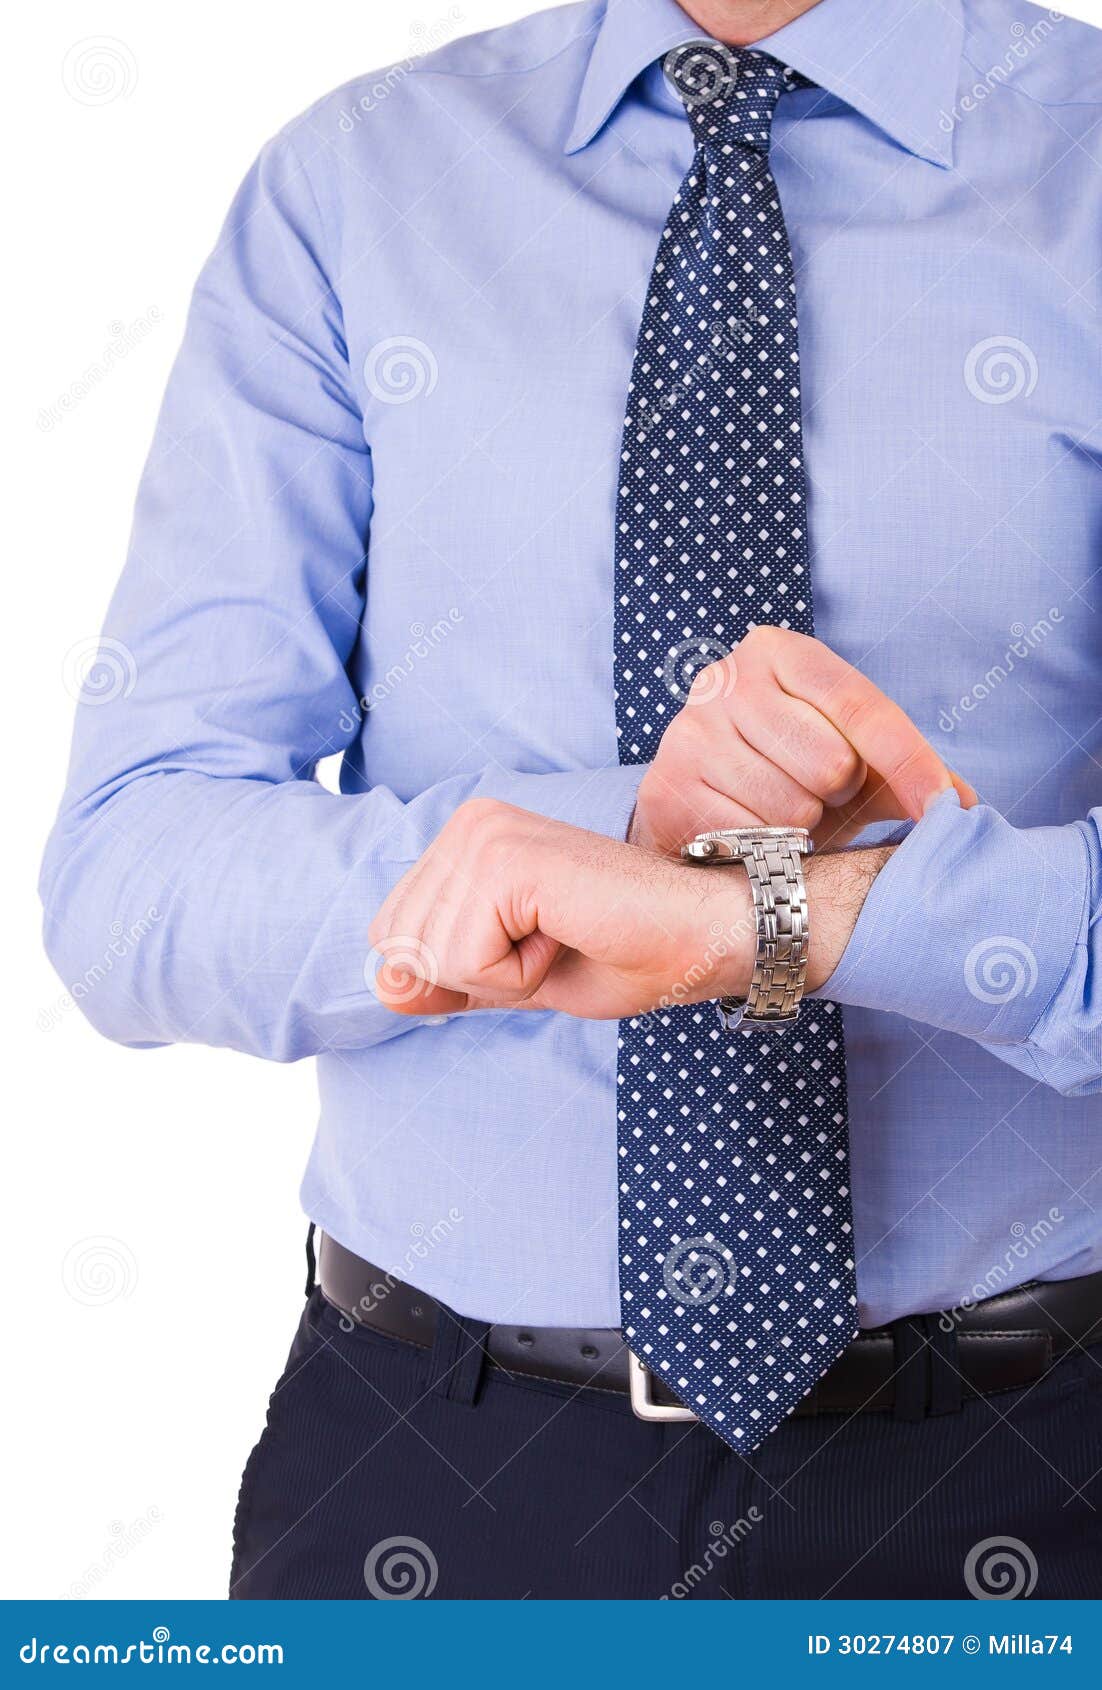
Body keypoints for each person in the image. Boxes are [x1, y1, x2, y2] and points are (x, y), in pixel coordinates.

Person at [42, 0, 1102, 1600]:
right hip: (430, 1479)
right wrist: (591, 843)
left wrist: (766, 914)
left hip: (1031, 1479)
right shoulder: (355, 186)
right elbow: (129, 880)